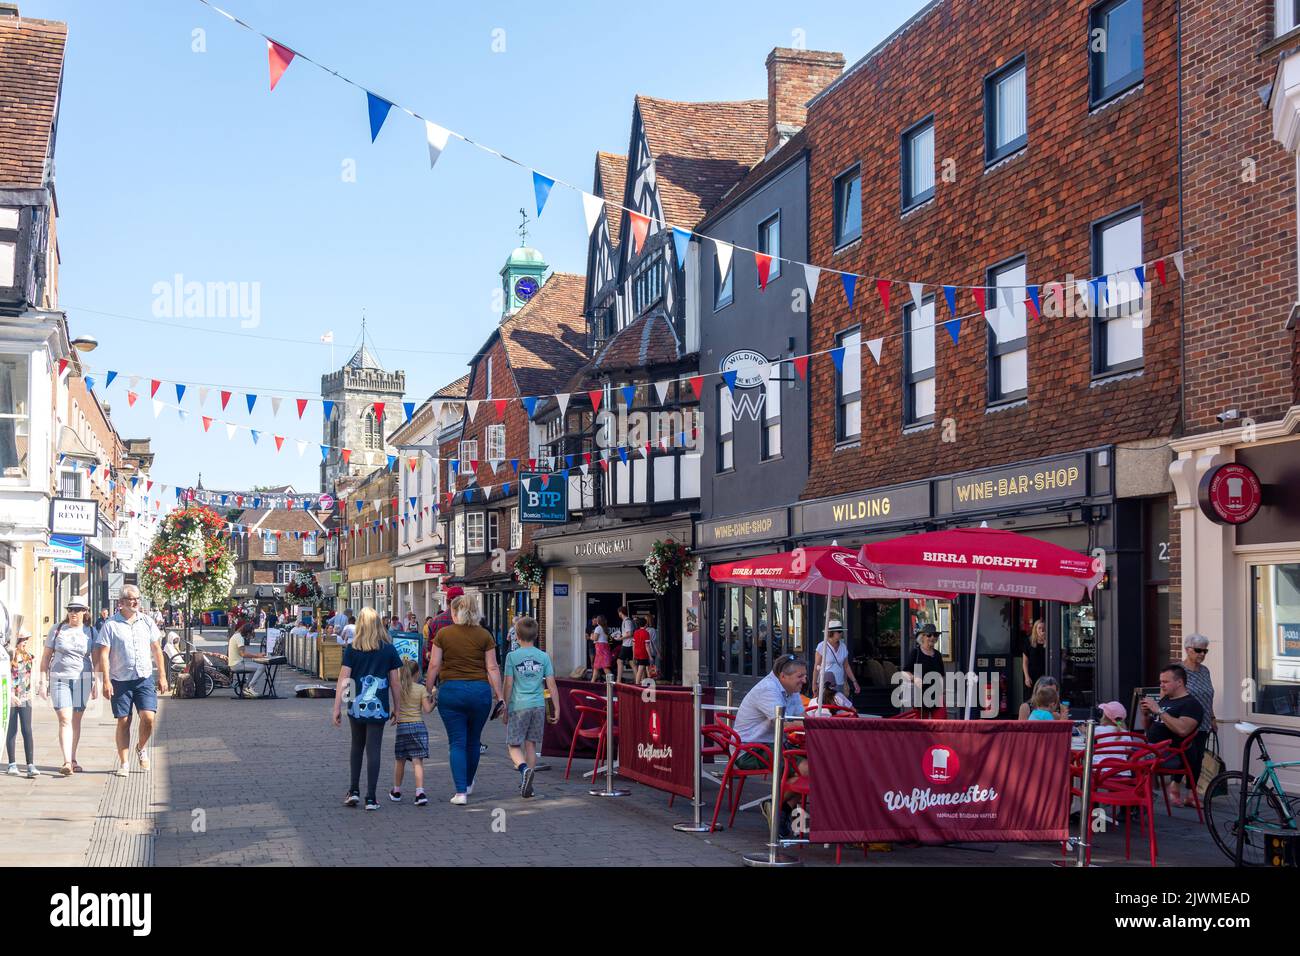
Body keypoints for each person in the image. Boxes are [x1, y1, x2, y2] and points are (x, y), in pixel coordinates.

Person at [424, 594, 504, 804]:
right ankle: (468, 783)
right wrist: (500, 695)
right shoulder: (485, 635)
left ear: (455, 612)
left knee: (457, 742)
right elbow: (492, 667)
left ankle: (460, 792)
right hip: (480, 692)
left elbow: (433, 665)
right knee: (473, 740)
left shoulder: (443, 634)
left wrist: (428, 689)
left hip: (451, 691)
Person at [93, 585, 168, 777]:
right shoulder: (110, 625)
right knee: (124, 721)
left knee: (149, 718)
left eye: (137, 598)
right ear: (121, 602)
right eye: (131, 599)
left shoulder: (147, 622)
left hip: (144, 677)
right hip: (120, 679)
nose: (135, 602)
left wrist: (162, 676)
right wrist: (105, 681)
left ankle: (141, 748)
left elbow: (156, 649)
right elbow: (103, 654)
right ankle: (124, 763)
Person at [332, 608, 402, 811]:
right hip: (379, 707)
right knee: (374, 750)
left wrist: (337, 706)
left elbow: (344, 679)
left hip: (355, 703)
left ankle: (353, 790)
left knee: (356, 746)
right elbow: (395, 682)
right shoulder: (388, 649)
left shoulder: (353, 648)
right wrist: (398, 708)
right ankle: (371, 797)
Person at [734, 656, 807, 838]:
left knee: (816, 767)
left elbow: (801, 718)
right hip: (750, 750)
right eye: (800, 676)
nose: (805, 680)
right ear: (783, 676)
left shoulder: (792, 689)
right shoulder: (768, 690)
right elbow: (785, 725)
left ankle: (778, 808)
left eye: (805, 676)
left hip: (774, 744)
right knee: (806, 769)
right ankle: (778, 808)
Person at [38, 595, 97, 775]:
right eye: (70, 609)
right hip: (59, 679)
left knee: (76, 721)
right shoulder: (57, 629)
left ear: (85, 611)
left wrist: (97, 682)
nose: (73, 613)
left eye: (77, 610)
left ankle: (73, 757)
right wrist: (42, 681)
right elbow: (46, 657)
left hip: (83, 679)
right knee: (65, 718)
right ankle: (66, 762)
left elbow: (96, 659)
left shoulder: (91, 631)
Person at [500, 616, 558, 798]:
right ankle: (529, 784)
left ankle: (524, 769)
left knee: (513, 744)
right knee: (531, 744)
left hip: (519, 706)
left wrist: (505, 706)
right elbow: (551, 684)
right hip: (538, 705)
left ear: (516, 636)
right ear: (536, 636)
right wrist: (557, 708)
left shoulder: (512, 656)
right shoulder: (544, 656)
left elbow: (508, 684)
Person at [1142, 663, 1205, 808]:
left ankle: (1136, 801)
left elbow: (1183, 730)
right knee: (1114, 757)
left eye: (1165, 682)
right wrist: (1145, 714)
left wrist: (1159, 711)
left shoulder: (1191, 704)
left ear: (1179, 682)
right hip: (1151, 748)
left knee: (1126, 761)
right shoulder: (1166, 700)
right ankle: (1131, 802)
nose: (1161, 685)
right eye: (1160, 682)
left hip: (1169, 754)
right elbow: (1149, 728)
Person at [390, 658, 434, 806]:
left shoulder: (398, 688)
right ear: (416, 674)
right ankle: (420, 792)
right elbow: (427, 709)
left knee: (400, 760)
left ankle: (396, 791)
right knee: (417, 762)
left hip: (402, 727)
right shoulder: (421, 689)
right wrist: (434, 700)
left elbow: (395, 708)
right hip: (418, 727)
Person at [1180, 633, 1217, 790]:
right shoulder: (1178, 670)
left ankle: (1190, 793)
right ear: (1188, 650)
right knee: (1187, 756)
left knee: (1198, 758)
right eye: (1198, 650)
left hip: (1203, 722)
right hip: (1184, 721)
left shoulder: (1205, 671)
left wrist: (1213, 717)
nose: (1202, 654)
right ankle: (1175, 784)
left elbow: (1208, 695)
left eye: (1205, 651)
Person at [6, 630, 37, 778]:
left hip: (24, 697)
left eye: (26, 639)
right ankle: (12, 764)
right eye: (22, 639)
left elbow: (30, 676)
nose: (25, 641)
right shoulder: (7, 657)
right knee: (11, 730)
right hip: (11, 698)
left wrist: (31, 692)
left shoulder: (28, 656)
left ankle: (30, 764)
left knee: (27, 729)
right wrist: (11, 694)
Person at [902, 623, 947, 717]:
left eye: (935, 635)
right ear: (922, 637)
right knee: (922, 726)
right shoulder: (916, 653)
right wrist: (914, 678)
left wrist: (942, 691)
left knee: (941, 723)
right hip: (920, 694)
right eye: (929, 635)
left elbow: (941, 675)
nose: (932, 638)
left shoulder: (937, 655)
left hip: (937, 695)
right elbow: (905, 672)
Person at [814, 618, 860, 700]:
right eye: (839, 631)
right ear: (831, 633)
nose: (841, 633)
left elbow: (846, 666)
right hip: (826, 684)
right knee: (827, 707)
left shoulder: (843, 646)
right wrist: (814, 684)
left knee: (839, 706)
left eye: (841, 631)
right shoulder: (822, 646)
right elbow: (816, 667)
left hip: (840, 683)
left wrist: (854, 682)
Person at [422, 588, 460, 673]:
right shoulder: (473, 622)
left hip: (442, 669)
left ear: (447, 602)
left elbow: (430, 647)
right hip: (465, 669)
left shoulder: (436, 621)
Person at [228, 622, 269, 698]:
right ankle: (250, 687)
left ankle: (247, 687)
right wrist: (257, 656)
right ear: (247, 632)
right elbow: (243, 654)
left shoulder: (236, 635)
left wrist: (255, 657)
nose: (249, 637)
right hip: (237, 664)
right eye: (250, 634)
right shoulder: (239, 638)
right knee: (262, 667)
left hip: (235, 663)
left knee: (255, 667)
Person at [1021, 618, 1047, 704]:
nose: (1041, 630)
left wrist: (1045, 641)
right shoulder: (1028, 641)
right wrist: (1026, 677)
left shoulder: (1049, 641)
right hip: (1032, 676)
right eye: (1039, 628)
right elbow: (1025, 662)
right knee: (1031, 700)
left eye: (1043, 628)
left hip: (1045, 674)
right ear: (1035, 629)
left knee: (1044, 699)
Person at [615, 606, 635, 684]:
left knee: (619, 661)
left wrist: (621, 638)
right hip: (629, 644)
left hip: (627, 645)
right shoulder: (627, 621)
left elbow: (630, 633)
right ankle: (638, 680)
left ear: (621, 612)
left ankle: (618, 680)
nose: (618, 614)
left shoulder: (627, 621)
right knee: (632, 662)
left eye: (618, 612)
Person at [590, 615, 613, 681]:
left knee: (604, 666)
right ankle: (592, 682)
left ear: (599, 621)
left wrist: (591, 636)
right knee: (597, 666)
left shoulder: (598, 628)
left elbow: (595, 638)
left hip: (600, 648)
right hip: (605, 647)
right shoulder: (606, 628)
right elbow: (610, 640)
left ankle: (611, 683)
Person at [632, 616, 653, 685]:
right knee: (641, 668)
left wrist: (634, 655)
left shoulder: (635, 632)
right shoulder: (646, 633)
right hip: (643, 653)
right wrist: (650, 656)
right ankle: (637, 683)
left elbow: (634, 645)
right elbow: (647, 646)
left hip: (637, 652)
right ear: (646, 624)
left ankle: (646, 682)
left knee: (646, 667)